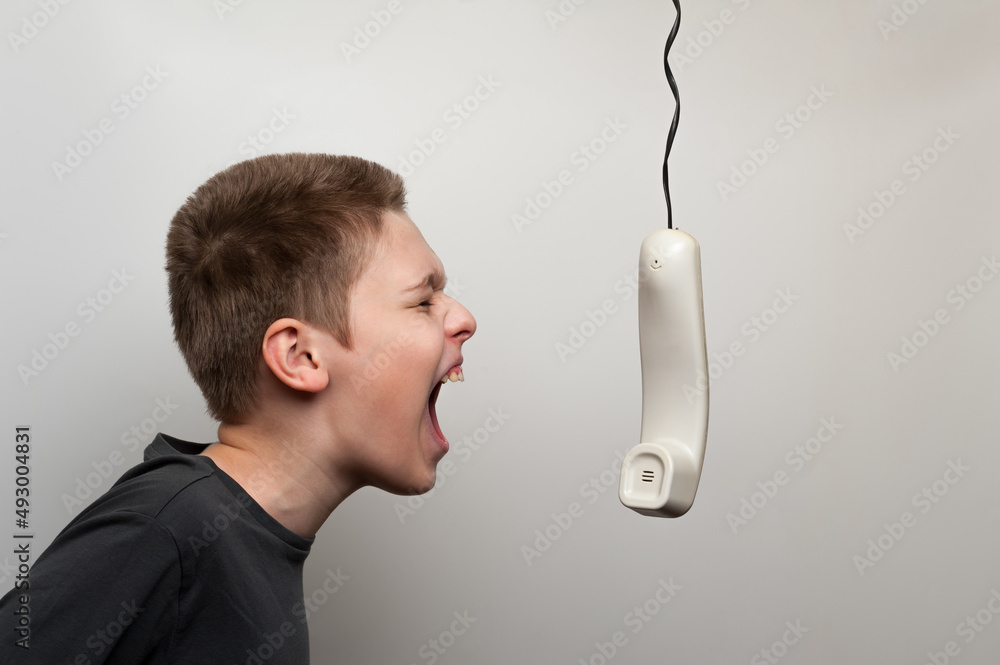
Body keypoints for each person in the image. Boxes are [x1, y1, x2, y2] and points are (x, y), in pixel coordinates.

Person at [0, 153, 477, 664]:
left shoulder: (244, 545)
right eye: (423, 301)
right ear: (300, 357)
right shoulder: (165, 530)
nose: (464, 319)